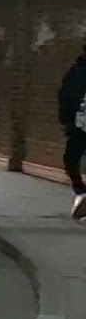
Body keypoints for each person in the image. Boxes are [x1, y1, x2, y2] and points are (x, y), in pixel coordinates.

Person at [56, 43, 86, 220]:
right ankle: (81, 191)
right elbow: (65, 96)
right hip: (79, 124)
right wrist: (67, 121)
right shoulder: (76, 72)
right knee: (71, 160)